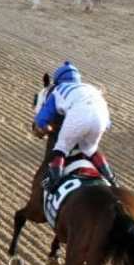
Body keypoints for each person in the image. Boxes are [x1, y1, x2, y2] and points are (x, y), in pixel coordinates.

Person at [33, 61, 116, 189]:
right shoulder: (90, 88)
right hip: (101, 118)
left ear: (57, 80)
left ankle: (53, 181)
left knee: (61, 148)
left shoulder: (58, 90)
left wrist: (43, 125)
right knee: (90, 149)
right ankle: (111, 178)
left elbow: (42, 118)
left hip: (79, 116)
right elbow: (109, 124)